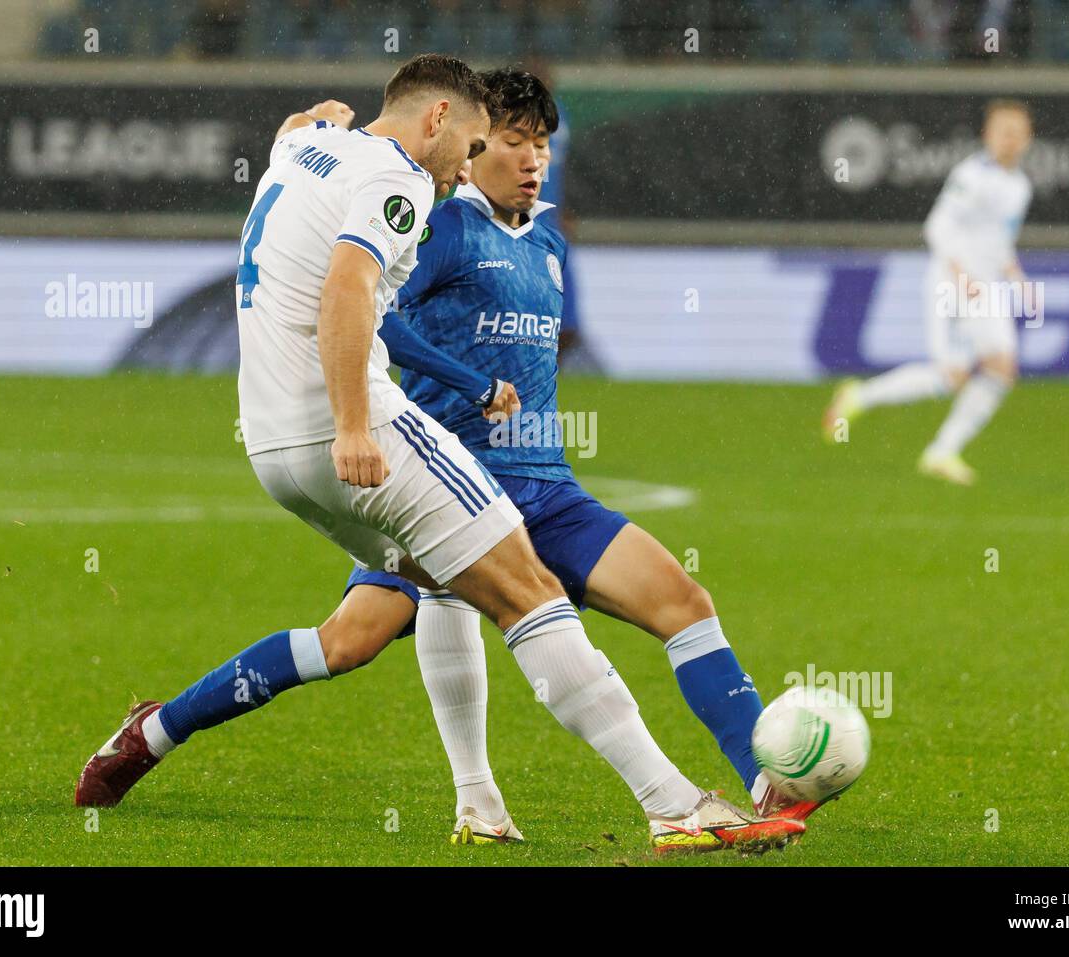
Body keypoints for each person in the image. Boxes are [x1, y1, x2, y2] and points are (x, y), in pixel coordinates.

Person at [75, 54, 794, 855]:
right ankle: (673, 803)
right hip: (376, 437)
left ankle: (470, 800)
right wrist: (367, 416)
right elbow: (352, 293)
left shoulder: (312, 151)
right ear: (440, 119)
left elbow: (295, 136)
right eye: (486, 141)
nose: (488, 159)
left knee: (418, 608)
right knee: (524, 594)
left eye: (533, 145)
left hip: (284, 442)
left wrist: (315, 121)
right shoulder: (410, 193)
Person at [822, 99, 1034, 486]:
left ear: (1028, 138)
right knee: (950, 376)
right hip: (952, 285)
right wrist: (961, 276)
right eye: (1004, 131)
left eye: (1017, 132)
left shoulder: (1019, 185)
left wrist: (1014, 274)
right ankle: (858, 396)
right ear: (988, 135)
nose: (1010, 139)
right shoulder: (971, 176)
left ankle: (942, 451)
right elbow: (936, 228)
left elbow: (999, 240)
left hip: (987, 287)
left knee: (1002, 370)